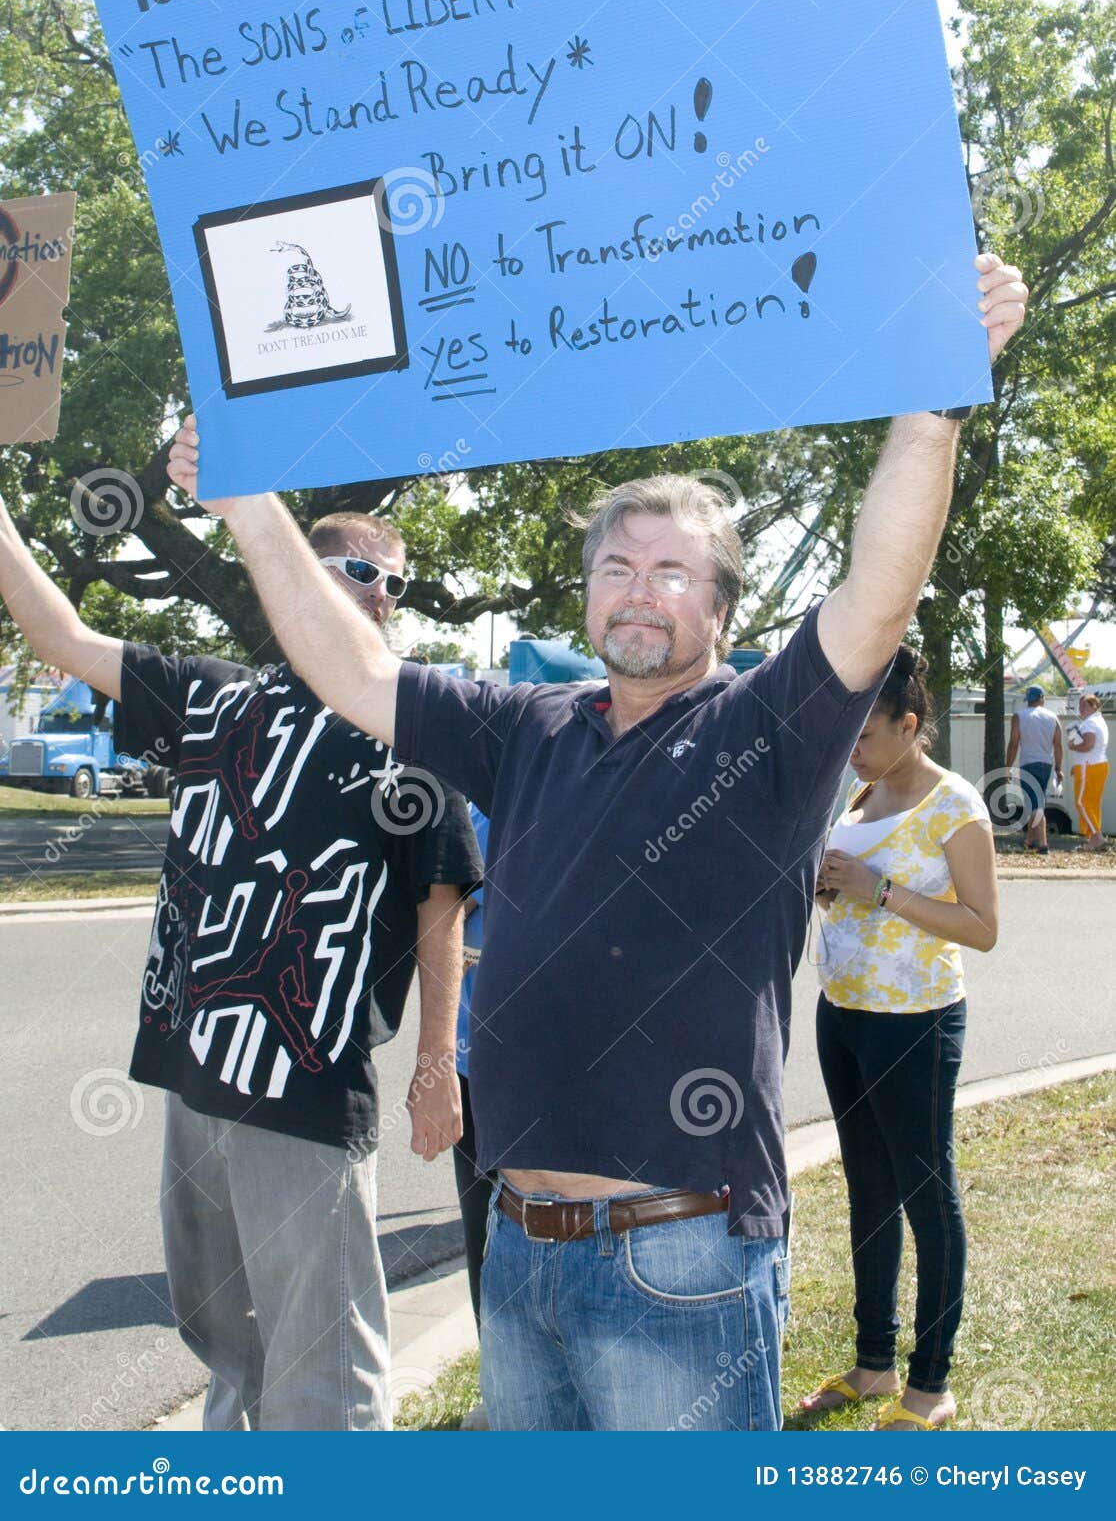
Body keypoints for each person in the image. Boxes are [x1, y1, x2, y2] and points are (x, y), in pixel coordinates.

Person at [168, 254, 1027, 1431]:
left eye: (672, 572)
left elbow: (877, 595)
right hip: (520, 1253)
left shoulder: (765, 734)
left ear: (721, 611)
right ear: (586, 597)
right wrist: (249, 504)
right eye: (616, 566)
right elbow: (358, 670)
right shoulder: (526, 727)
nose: (638, 590)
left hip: (681, 1263)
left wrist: (935, 399)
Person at [0, 500, 481, 1430]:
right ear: (298, 575)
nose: (384, 596)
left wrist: (435, 1066)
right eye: (359, 571)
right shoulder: (211, 696)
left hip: (303, 1082)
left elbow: (440, 908)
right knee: (224, 1337)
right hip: (193, 1072)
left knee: (323, 1359)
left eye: (398, 583)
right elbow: (58, 635)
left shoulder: (417, 731)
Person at [802, 646, 998, 1431]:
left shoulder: (956, 806)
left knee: (926, 1192)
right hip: (842, 1014)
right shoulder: (858, 795)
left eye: (864, 737)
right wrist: (823, 885)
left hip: (915, 1022)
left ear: (911, 725)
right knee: (868, 1190)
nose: (852, 752)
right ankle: (875, 1363)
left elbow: (982, 928)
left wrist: (879, 889)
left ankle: (931, 1384)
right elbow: (839, 893)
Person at [451, 802, 495, 1431]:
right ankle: (503, 1385)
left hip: (556, 1067)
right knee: (485, 1231)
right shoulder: (472, 812)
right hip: (474, 1059)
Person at [1006, 683, 1062, 852]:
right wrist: (1058, 769)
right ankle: (1029, 840)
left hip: (1028, 764)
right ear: (1042, 698)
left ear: (1028, 700)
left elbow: (1014, 743)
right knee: (1035, 802)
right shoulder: (1053, 718)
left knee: (1036, 805)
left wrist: (1008, 766)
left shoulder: (1019, 716)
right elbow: (1058, 746)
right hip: (1046, 764)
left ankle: (1043, 844)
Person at [1066, 691, 1110, 851]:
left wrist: (1072, 746)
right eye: (1080, 705)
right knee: (1092, 803)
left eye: (1084, 705)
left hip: (1089, 766)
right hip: (1097, 764)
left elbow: (1088, 745)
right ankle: (1093, 839)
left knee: (1082, 803)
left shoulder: (1090, 723)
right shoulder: (1099, 720)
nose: (1081, 708)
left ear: (1094, 706)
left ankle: (1097, 837)